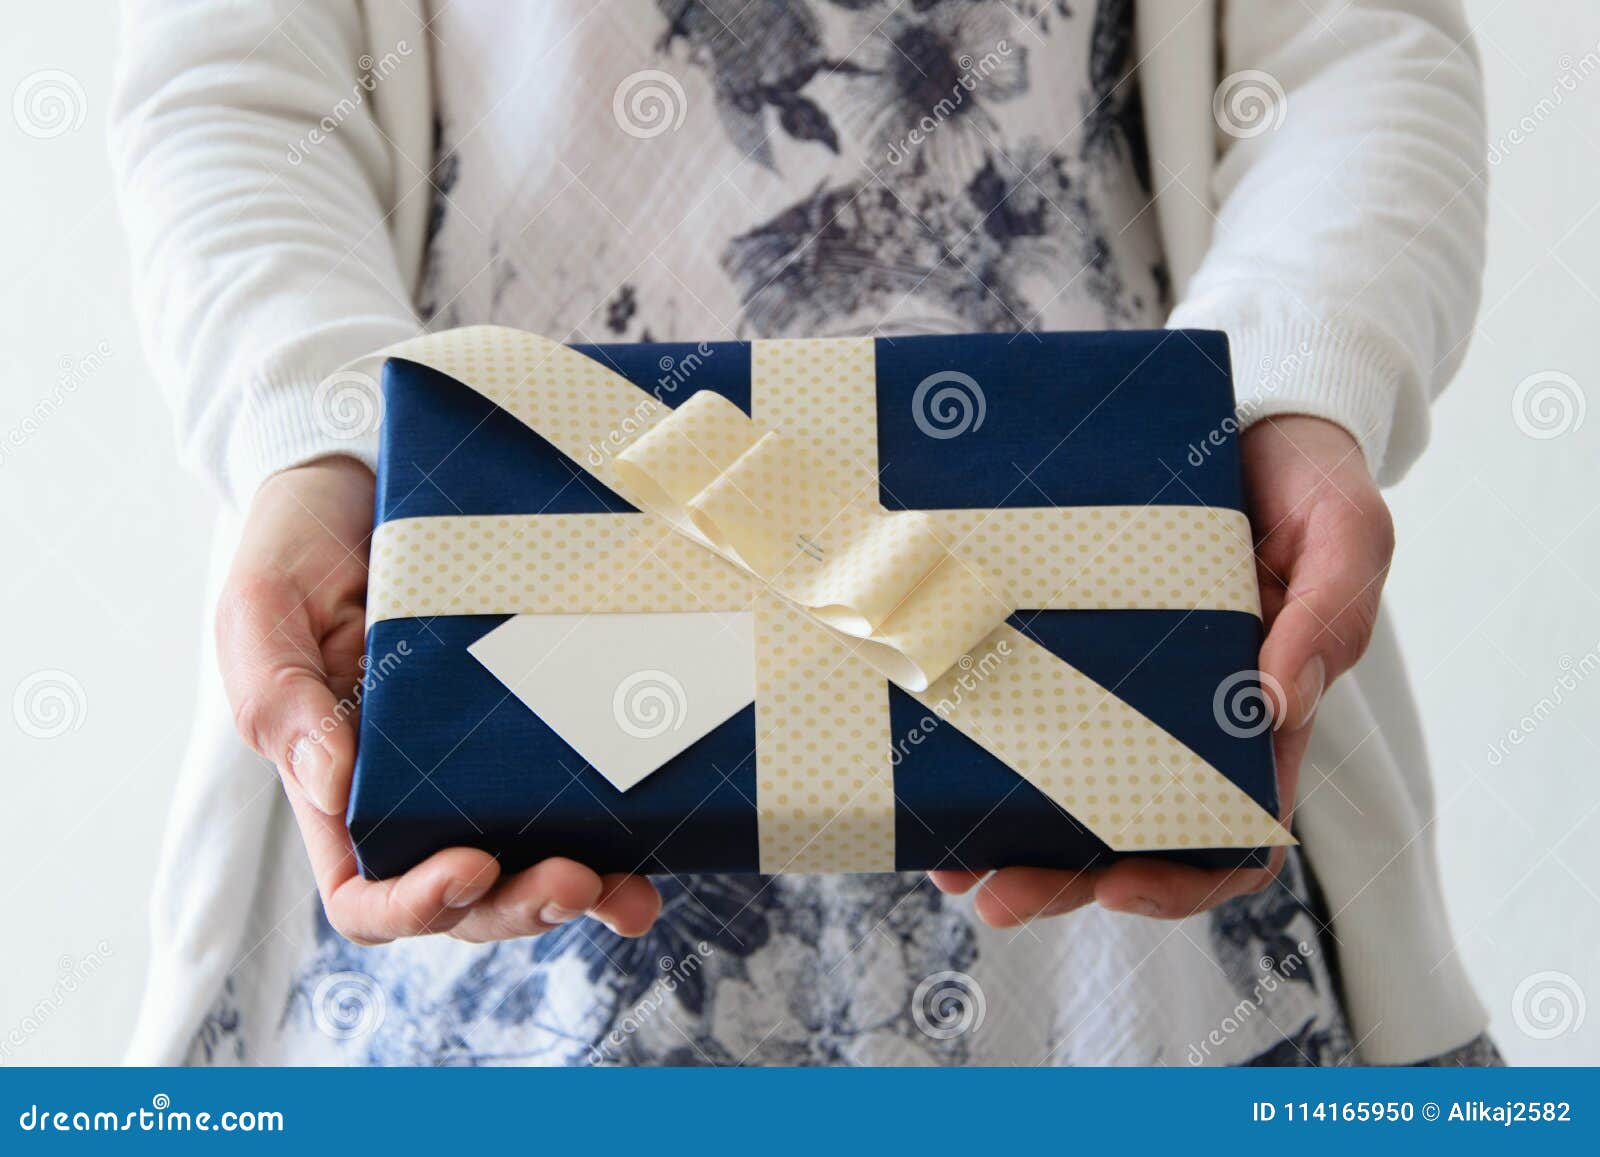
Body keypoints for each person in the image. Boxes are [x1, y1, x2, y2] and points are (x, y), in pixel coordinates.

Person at [111, 0, 1495, 1065]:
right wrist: (314, 438)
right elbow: (235, 83)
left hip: (1100, 656)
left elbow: (1347, 47)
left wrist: (1301, 391)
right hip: (491, 641)